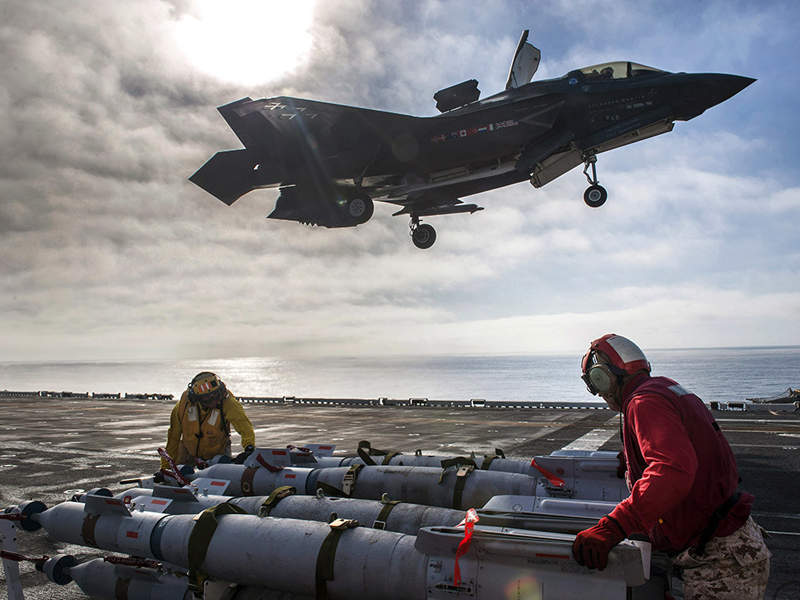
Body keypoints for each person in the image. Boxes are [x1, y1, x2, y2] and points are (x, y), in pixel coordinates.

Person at [573, 334, 770, 599]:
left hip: (719, 560)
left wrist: (614, 526)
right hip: (724, 544)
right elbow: (687, 441)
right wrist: (634, 458)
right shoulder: (664, 388)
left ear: (604, 377)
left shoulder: (643, 402)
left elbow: (671, 470)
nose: (598, 393)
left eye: (594, 384)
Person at [158, 372, 255, 475]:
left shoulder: (228, 403)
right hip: (188, 448)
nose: (213, 400)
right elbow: (173, 437)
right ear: (196, 398)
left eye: (215, 396)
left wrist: (249, 447)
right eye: (208, 398)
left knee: (224, 477)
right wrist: (165, 468)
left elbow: (245, 427)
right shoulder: (183, 406)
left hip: (218, 450)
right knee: (177, 474)